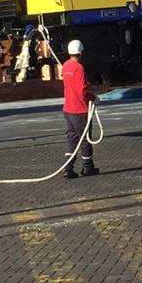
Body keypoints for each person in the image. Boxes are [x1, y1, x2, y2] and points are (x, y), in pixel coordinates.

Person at [61, 39, 98, 178]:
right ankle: (88, 167)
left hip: (68, 109)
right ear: (81, 52)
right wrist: (93, 97)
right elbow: (82, 90)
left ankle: (68, 168)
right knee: (85, 139)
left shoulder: (65, 66)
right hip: (80, 110)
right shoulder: (79, 68)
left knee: (72, 138)